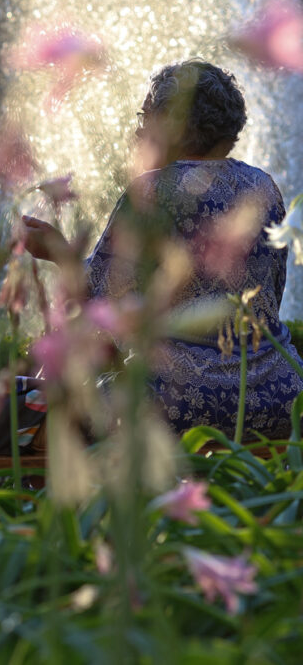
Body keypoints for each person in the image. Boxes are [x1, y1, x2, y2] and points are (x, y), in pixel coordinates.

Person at [23, 59, 303, 440]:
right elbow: (271, 290)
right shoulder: (264, 187)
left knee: (51, 420)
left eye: (147, 115)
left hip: (176, 400)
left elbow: (102, 297)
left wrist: (58, 252)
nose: (140, 129)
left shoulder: (154, 189)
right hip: (281, 396)